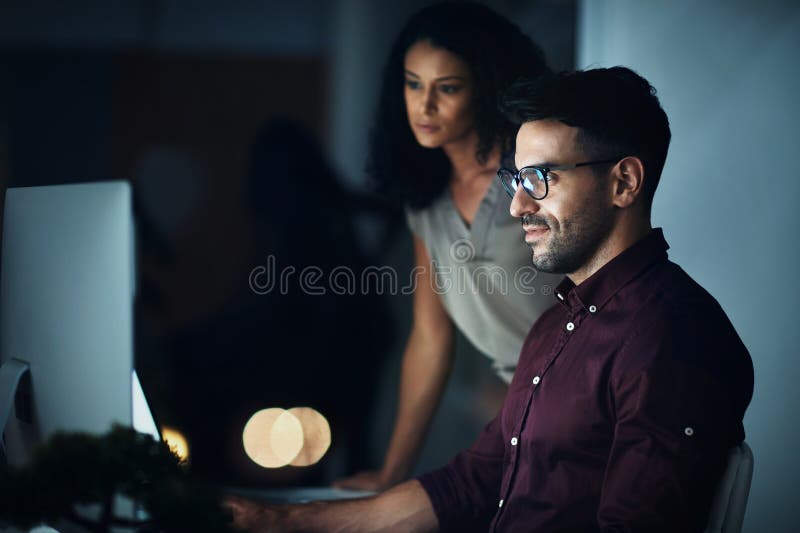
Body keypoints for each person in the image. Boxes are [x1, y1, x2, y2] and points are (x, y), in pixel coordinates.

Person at [225, 66, 754, 532]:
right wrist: (281, 521)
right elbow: (473, 482)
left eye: (541, 178)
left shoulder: (673, 337)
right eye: (516, 179)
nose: (518, 204)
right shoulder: (558, 325)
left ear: (624, 182)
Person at [334, 1, 560, 492]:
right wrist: (392, 471)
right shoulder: (425, 201)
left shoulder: (537, 174)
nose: (424, 105)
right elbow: (430, 339)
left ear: (485, 89)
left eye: (447, 87)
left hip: (585, 400)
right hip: (523, 415)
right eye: (413, 84)